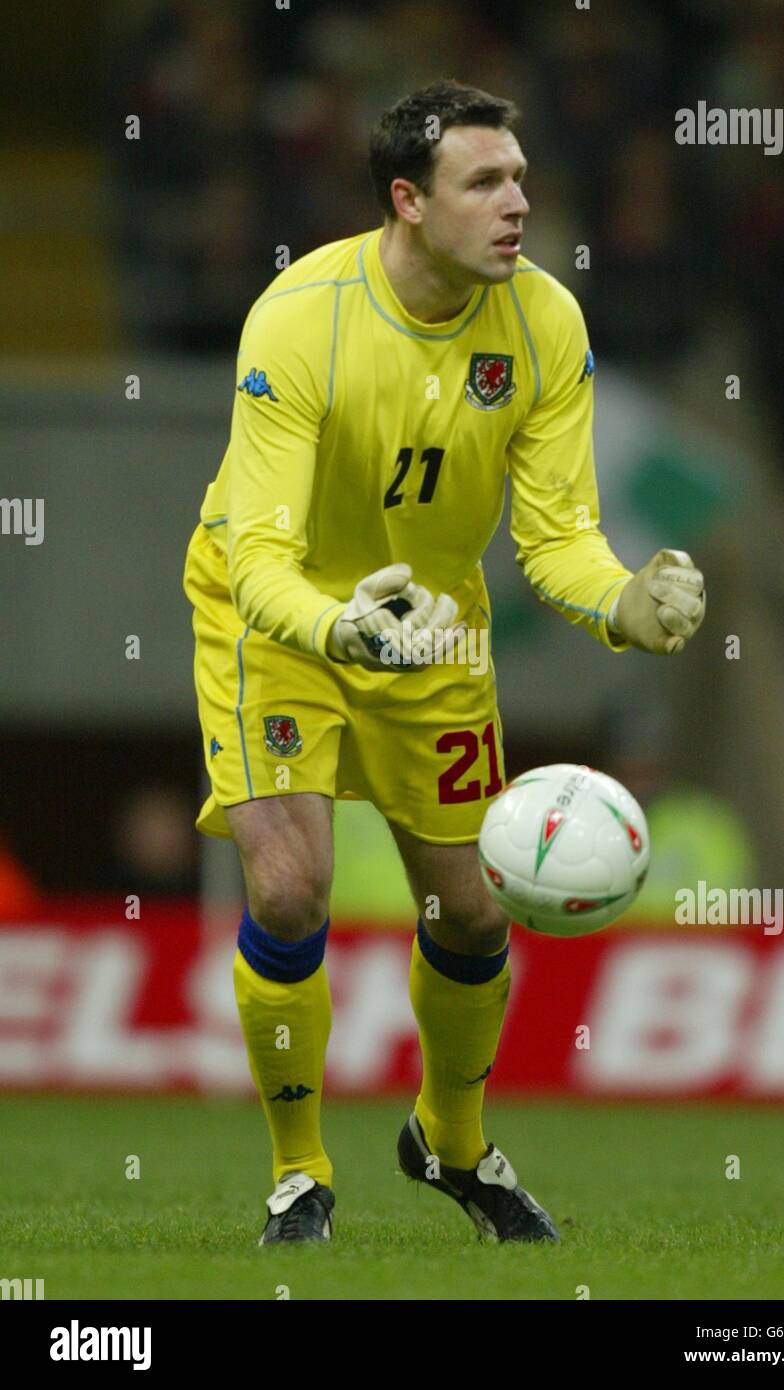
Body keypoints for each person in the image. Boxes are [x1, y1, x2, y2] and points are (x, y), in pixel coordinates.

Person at [182, 79, 706, 1246]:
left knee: (469, 913)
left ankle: (451, 1144)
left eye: (518, 177)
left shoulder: (544, 323)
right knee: (286, 885)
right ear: (407, 202)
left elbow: (554, 534)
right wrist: (337, 626)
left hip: (433, 631)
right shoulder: (298, 318)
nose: (516, 202)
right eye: (485, 182)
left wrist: (624, 602)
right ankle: (297, 1172)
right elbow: (254, 552)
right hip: (279, 618)